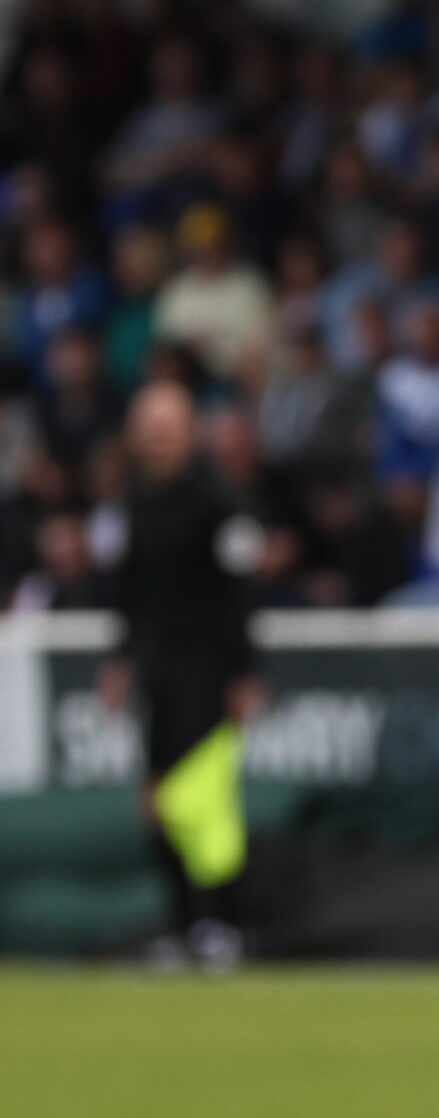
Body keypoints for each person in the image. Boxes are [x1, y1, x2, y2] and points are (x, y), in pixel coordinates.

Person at [98, 382, 265, 971]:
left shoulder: (220, 503)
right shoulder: (134, 506)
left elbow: (240, 594)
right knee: (156, 803)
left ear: (190, 433)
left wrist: (245, 673)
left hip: (208, 670)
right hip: (156, 670)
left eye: (167, 430)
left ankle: (222, 923)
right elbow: (129, 596)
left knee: (205, 805)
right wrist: (120, 661)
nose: (157, 441)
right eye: (148, 431)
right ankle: (179, 923)